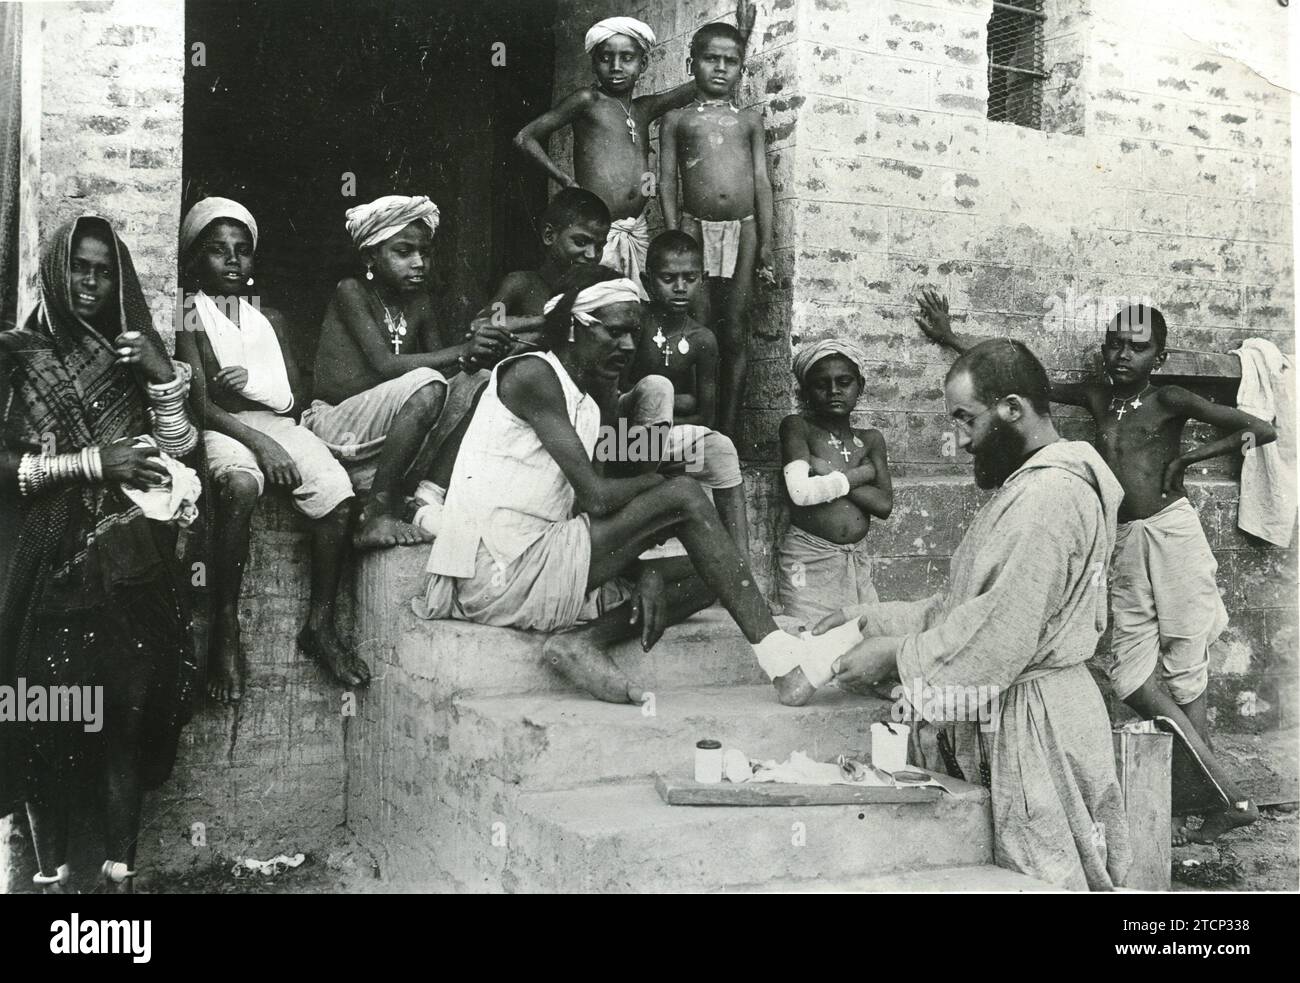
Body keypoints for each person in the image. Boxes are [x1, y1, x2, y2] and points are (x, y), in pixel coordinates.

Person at [916, 294, 1274, 844]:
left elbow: (1259, 429)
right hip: (1122, 538)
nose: (1122, 355)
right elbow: (1020, 379)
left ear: (1159, 355)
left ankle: (1208, 801)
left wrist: (1189, 460)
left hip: (1173, 532)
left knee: (1185, 662)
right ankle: (1211, 794)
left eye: (1137, 347)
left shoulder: (1170, 398)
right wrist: (952, 338)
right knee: (1132, 673)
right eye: (1114, 344)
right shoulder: (1096, 396)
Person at [414, 267, 857, 707]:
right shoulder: (534, 375)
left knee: (720, 570)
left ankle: (582, 642)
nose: (628, 346)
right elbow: (597, 496)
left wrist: (643, 566)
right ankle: (783, 665)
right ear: (573, 327)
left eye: (633, 335)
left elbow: (603, 504)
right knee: (683, 493)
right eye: (615, 333)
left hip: (547, 556)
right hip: (499, 574)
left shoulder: (590, 395)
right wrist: (662, 483)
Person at [816, 339, 1132, 891]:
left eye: (965, 419)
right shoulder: (1032, 487)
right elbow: (963, 605)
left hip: (1040, 728)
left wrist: (895, 656)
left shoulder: (1047, 500)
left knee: (1046, 875)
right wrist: (865, 619)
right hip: (1034, 712)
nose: (959, 440)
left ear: (1012, 408)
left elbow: (998, 637)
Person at [0, 215, 200, 892]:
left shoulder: (130, 352)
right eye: (78, 268)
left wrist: (162, 374)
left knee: (125, 719)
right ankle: (50, 884)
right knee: (43, 723)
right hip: (47, 559)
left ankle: (120, 884)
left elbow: (175, 454)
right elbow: (5, 467)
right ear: (57, 270)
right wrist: (92, 461)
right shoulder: (19, 352)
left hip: (129, 560)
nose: (90, 282)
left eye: (102, 269)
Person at [174, 198, 368, 700]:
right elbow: (202, 407)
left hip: (274, 422)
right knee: (239, 484)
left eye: (242, 251)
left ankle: (319, 626)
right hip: (225, 427)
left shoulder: (270, 319)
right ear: (196, 259)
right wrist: (259, 443)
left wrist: (258, 387)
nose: (233, 260)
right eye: (218, 251)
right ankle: (225, 627)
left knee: (338, 494)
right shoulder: (189, 314)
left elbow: (294, 396)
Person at [512, 6, 755, 283]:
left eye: (627, 58)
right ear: (594, 64)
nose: (616, 66)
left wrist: (743, 36)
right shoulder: (587, 101)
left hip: (636, 229)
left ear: (643, 65)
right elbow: (524, 137)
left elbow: (697, 84)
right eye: (606, 58)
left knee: (633, 308)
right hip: (598, 234)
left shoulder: (643, 109)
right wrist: (564, 179)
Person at [304, 195, 475, 549]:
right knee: (426, 383)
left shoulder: (420, 303)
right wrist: (463, 351)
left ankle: (429, 494)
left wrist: (475, 357)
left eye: (424, 253)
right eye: (404, 252)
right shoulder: (351, 292)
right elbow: (386, 365)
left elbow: (443, 372)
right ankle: (376, 513)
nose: (418, 263)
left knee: (481, 382)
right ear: (370, 257)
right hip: (335, 423)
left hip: (384, 425)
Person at [659, 20, 775, 436]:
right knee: (699, 324)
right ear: (693, 64)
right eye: (712, 59)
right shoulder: (677, 119)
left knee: (736, 327)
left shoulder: (749, 121)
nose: (721, 68)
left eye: (731, 61)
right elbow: (667, 181)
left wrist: (766, 242)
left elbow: (762, 181)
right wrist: (675, 234)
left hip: (743, 231)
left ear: (741, 69)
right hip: (694, 229)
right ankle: (697, 428)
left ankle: (727, 431)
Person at [624, 230, 749, 554]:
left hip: (671, 449)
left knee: (721, 449)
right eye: (668, 278)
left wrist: (666, 412)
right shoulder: (637, 320)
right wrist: (679, 400)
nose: (680, 287)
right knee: (659, 389)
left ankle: (740, 564)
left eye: (690, 278)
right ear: (647, 280)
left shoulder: (703, 338)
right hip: (621, 444)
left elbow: (706, 416)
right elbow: (622, 394)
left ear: (702, 279)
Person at [777, 339, 892, 627]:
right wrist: (860, 474)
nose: (833, 391)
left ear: (860, 387)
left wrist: (827, 469)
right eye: (821, 384)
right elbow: (801, 492)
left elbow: (884, 505)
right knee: (810, 643)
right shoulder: (797, 427)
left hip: (855, 562)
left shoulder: (871, 439)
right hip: (809, 559)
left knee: (864, 643)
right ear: (803, 392)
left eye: (844, 382)